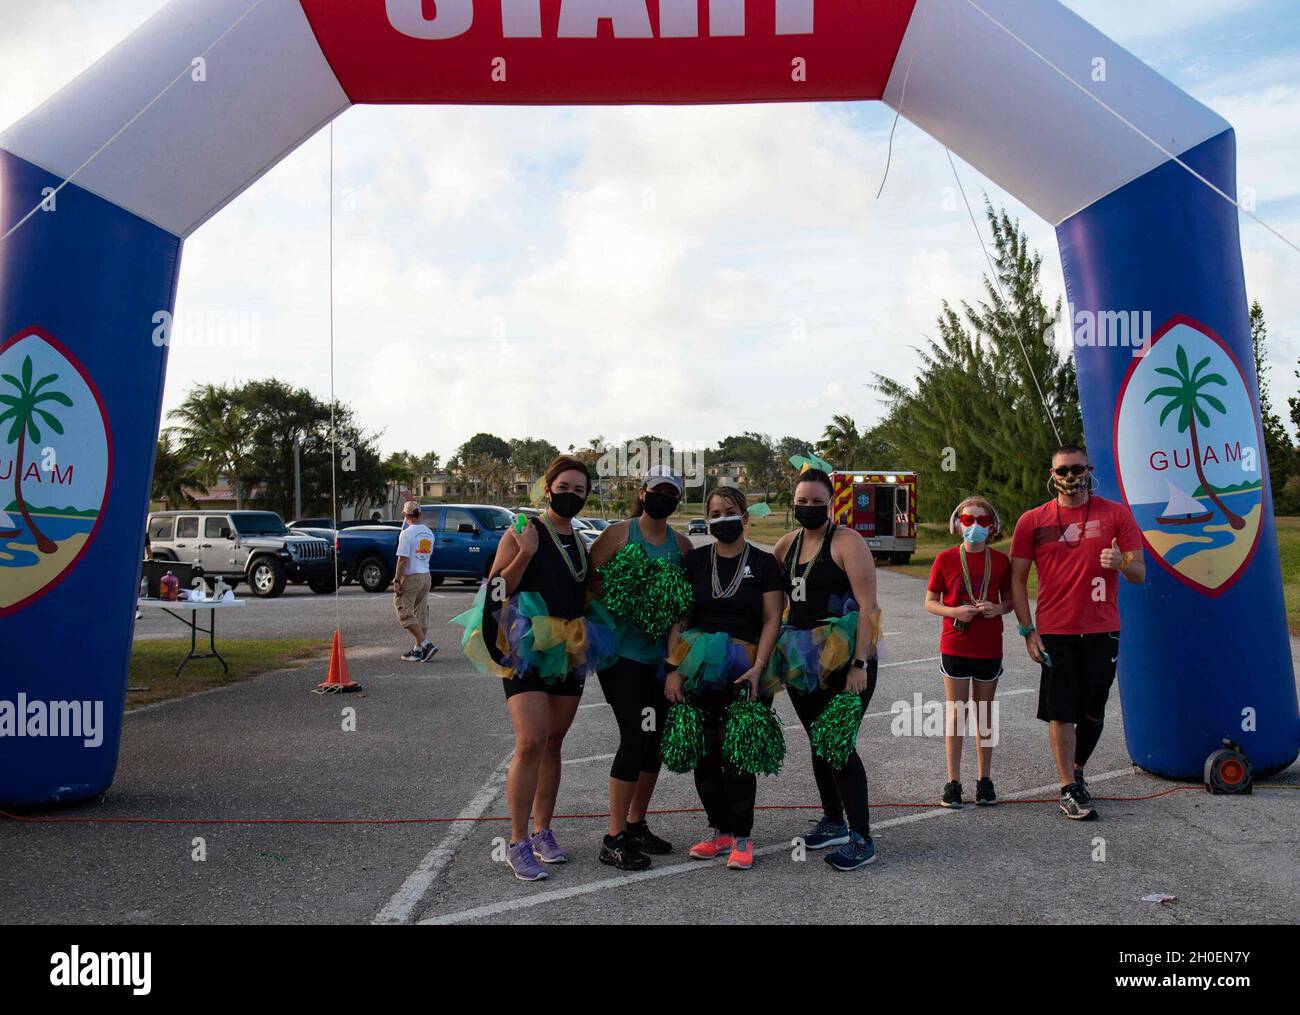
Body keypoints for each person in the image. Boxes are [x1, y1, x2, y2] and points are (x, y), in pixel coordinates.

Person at [453, 455, 616, 882]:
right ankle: (518, 841)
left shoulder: (580, 540)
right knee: (530, 741)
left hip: (569, 647)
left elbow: (582, 590)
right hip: (524, 644)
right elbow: (495, 588)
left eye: (580, 490)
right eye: (564, 488)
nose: (572, 496)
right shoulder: (524, 531)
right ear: (548, 488)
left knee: (554, 742)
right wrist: (523, 554)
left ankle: (544, 831)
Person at [1010, 444, 1145, 820]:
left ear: (1090, 470)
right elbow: (1017, 581)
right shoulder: (1032, 521)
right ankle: (1069, 785)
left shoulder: (1116, 515)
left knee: (1093, 711)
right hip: (1056, 630)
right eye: (1063, 470)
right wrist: (1027, 630)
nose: (1070, 477)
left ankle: (1079, 769)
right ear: (1051, 475)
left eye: (1077, 469)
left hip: (1103, 629)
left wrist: (1121, 562)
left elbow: (1140, 573)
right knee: (1061, 710)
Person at [665, 486, 783, 871]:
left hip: (747, 667)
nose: (721, 518)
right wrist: (675, 669)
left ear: (745, 516)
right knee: (705, 754)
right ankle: (719, 831)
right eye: (714, 513)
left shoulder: (765, 564)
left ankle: (743, 837)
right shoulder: (695, 561)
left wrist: (759, 667)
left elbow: (771, 619)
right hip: (698, 668)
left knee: (737, 756)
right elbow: (680, 620)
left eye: (729, 511)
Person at [770, 468, 881, 871]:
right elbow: (770, 602)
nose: (809, 508)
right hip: (802, 661)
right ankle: (833, 819)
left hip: (845, 659)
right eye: (802, 502)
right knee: (819, 743)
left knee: (837, 746)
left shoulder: (848, 542)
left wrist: (859, 663)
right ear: (793, 503)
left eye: (817, 502)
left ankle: (863, 838)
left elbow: (869, 608)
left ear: (831, 503)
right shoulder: (785, 545)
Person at [588, 464, 694, 871]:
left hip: (659, 660)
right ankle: (612, 838)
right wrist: (627, 598)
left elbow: (682, 608)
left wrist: (675, 662)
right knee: (635, 736)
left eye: (672, 493)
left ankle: (636, 825)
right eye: (658, 490)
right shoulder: (619, 534)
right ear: (643, 491)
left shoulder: (681, 546)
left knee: (653, 741)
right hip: (622, 656)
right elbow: (591, 580)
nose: (664, 497)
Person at [925, 496, 1013, 808]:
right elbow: (930, 601)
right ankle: (953, 781)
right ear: (958, 524)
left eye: (982, 521)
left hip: (989, 646)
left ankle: (984, 780)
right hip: (955, 644)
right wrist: (954, 612)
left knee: (985, 714)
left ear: (992, 527)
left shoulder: (1001, 561)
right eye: (968, 520)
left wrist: (995, 608)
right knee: (956, 713)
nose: (975, 526)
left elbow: (1011, 602)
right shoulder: (945, 558)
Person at [392, 501, 437, 662]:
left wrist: (397, 580)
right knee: (421, 613)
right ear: (420, 514)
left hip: (411, 576)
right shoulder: (429, 533)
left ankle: (426, 644)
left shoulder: (406, 534)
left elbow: (403, 559)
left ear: (405, 515)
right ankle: (418, 649)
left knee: (404, 611)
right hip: (426, 575)